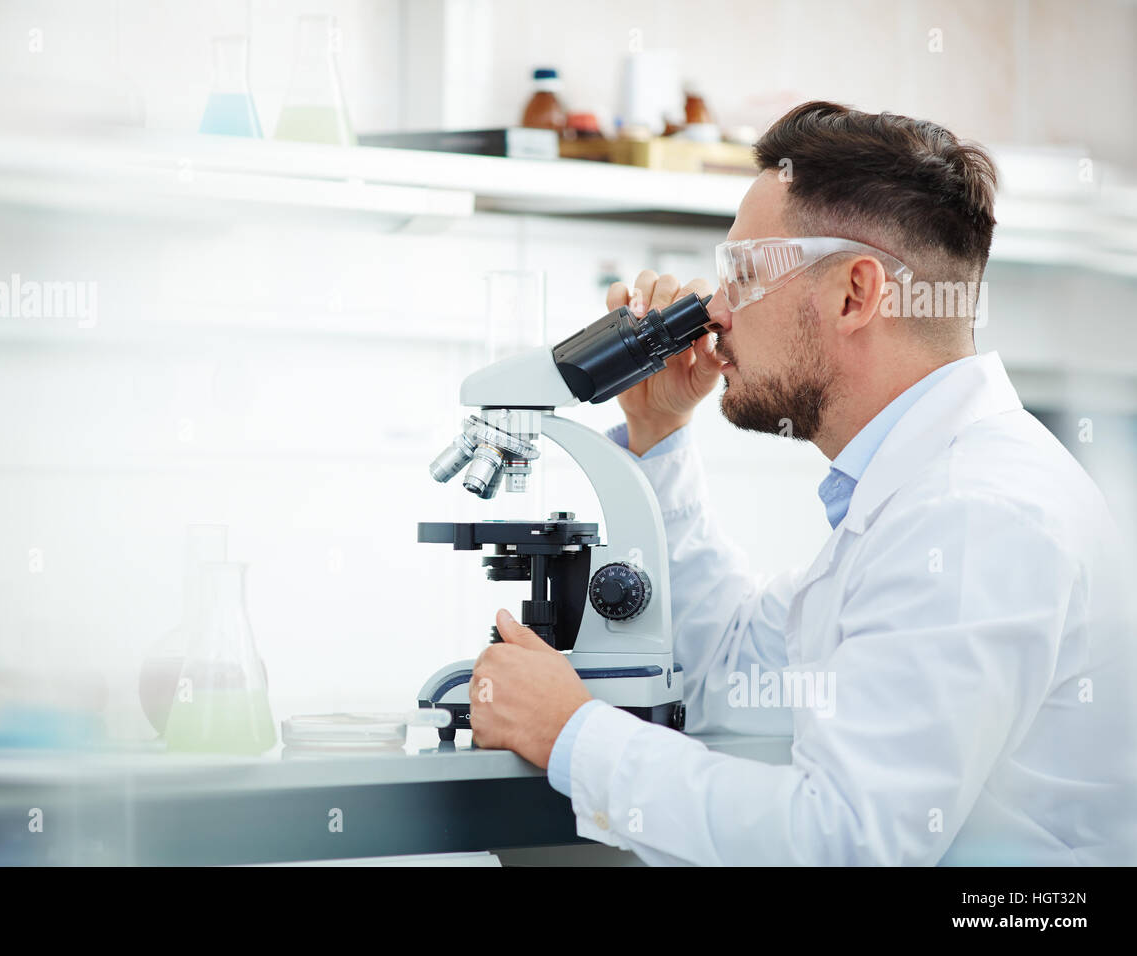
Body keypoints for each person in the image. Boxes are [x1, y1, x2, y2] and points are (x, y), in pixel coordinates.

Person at [467, 101, 1137, 865]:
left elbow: (841, 843)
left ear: (855, 295)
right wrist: (659, 435)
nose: (714, 311)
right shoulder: (907, 501)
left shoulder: (973, 517)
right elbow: (723, 676)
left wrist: (571, 734)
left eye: (743, 275)